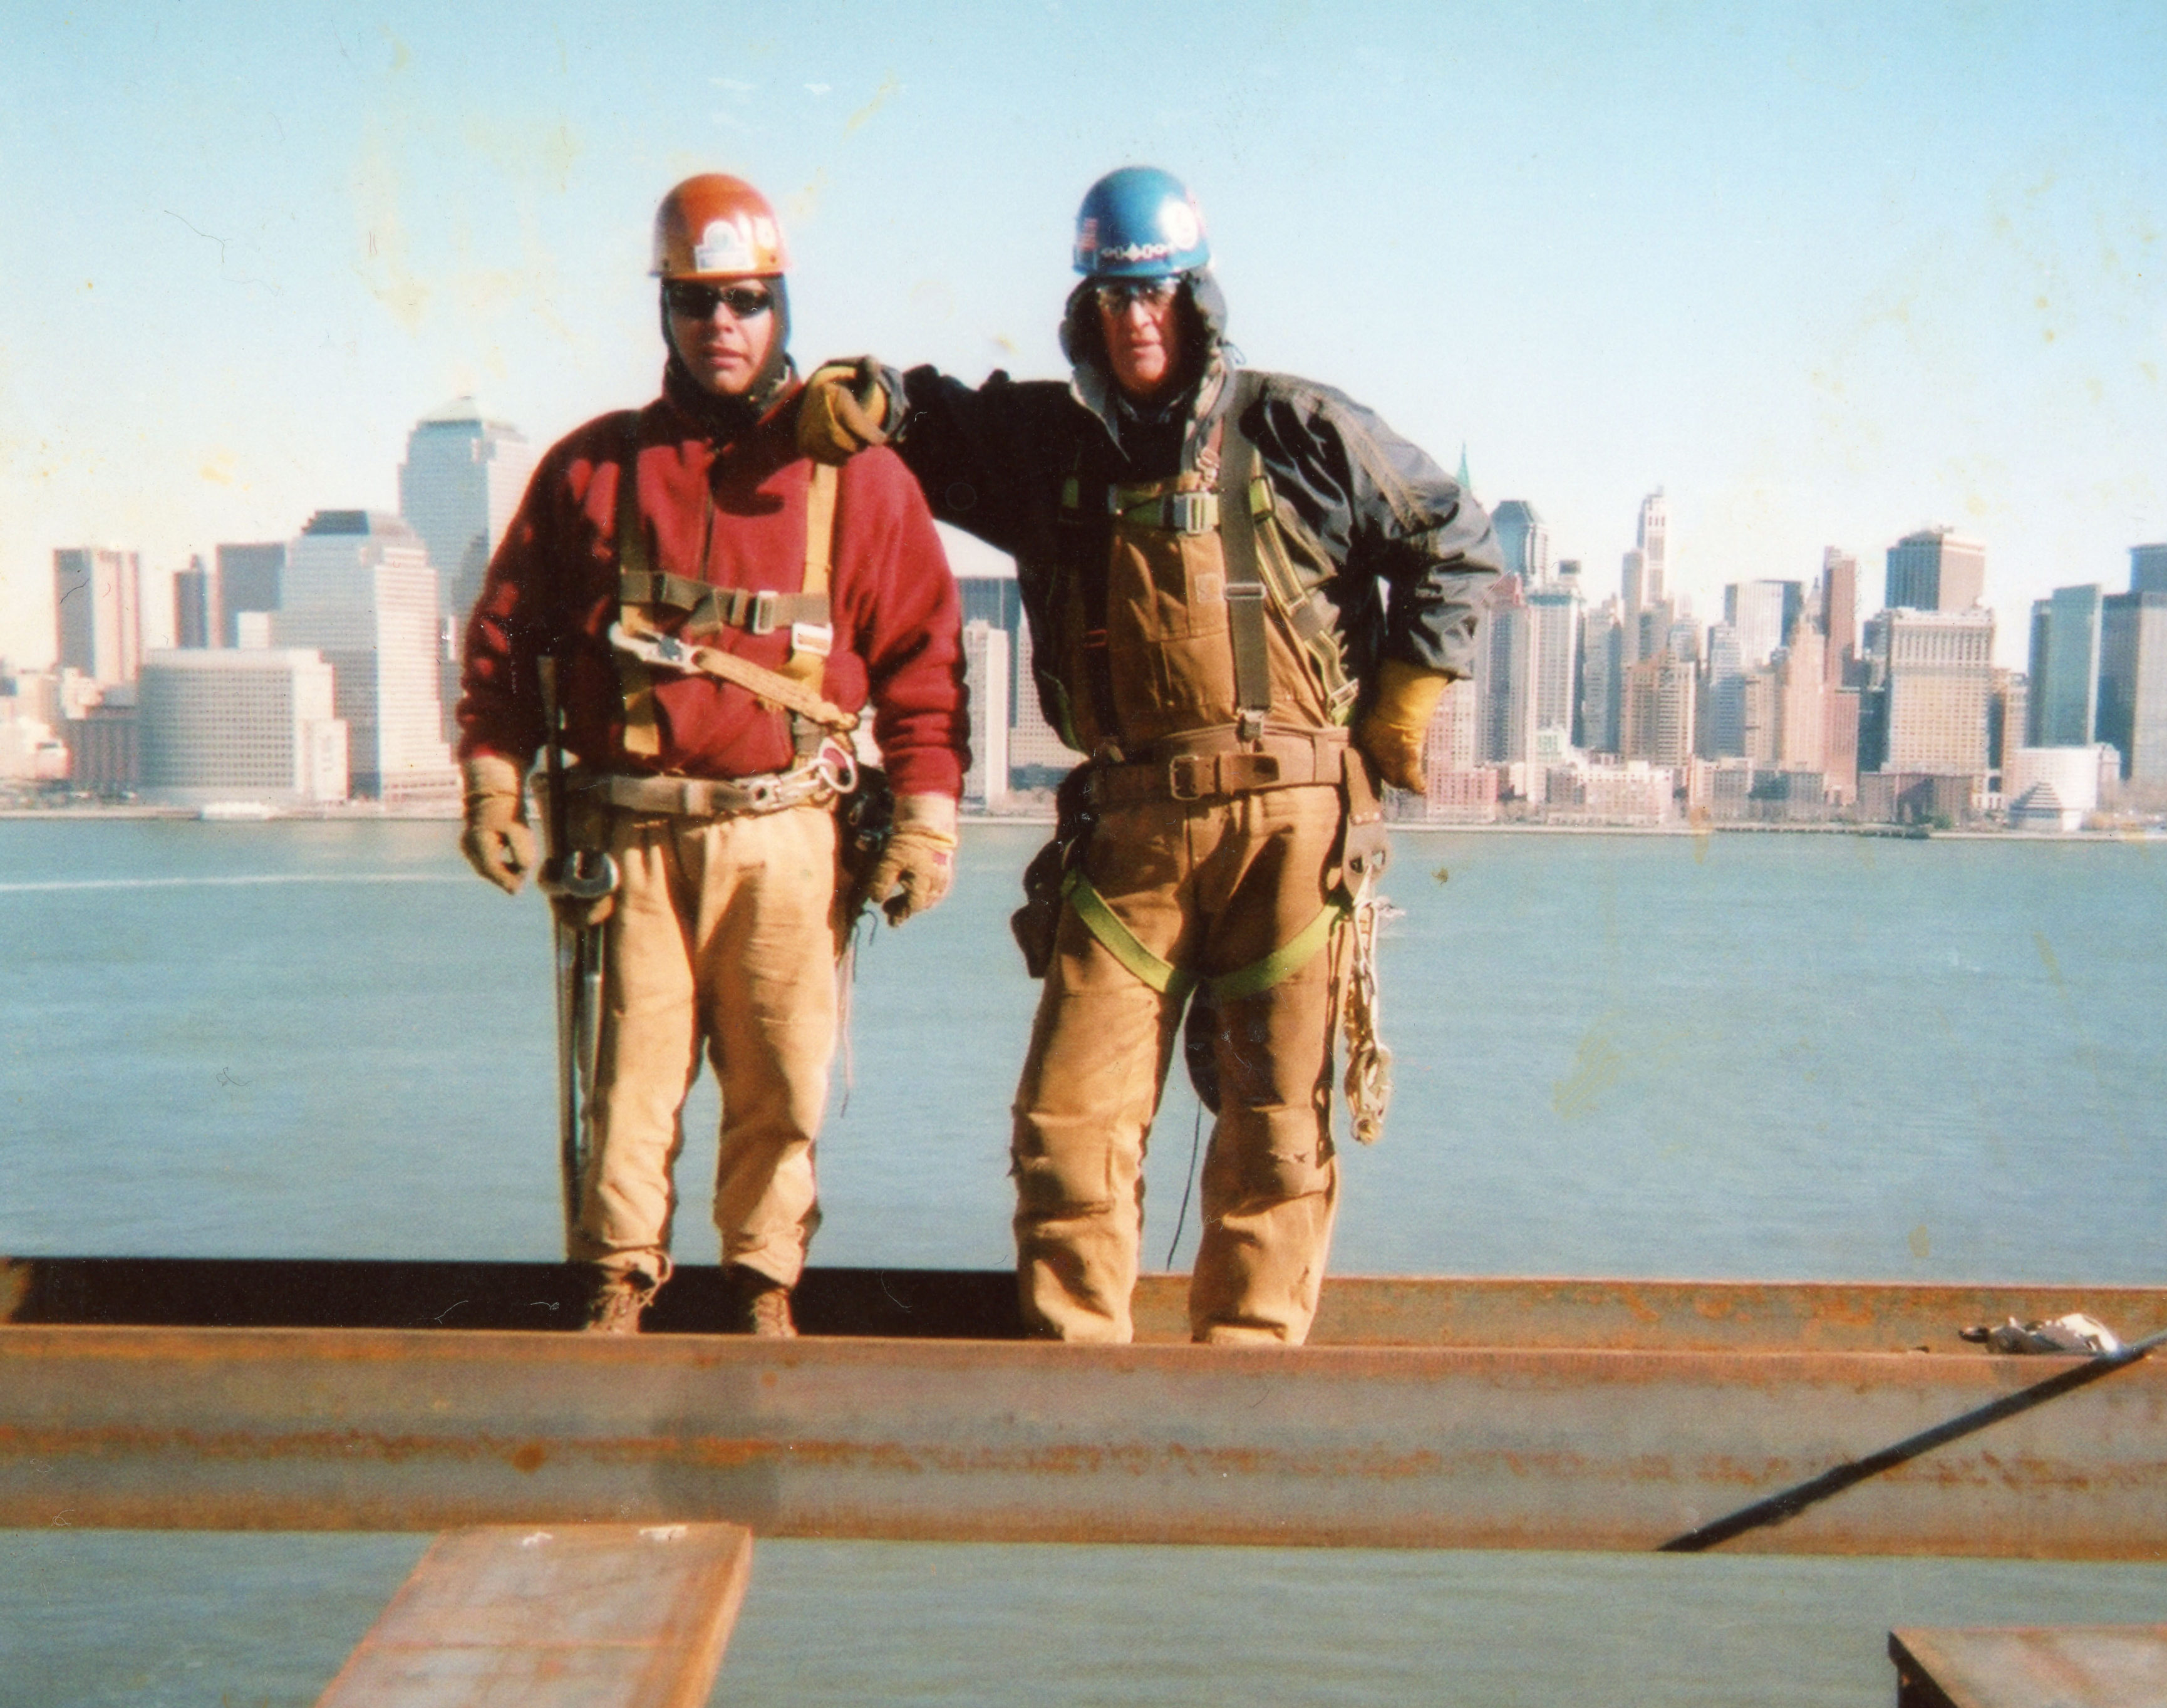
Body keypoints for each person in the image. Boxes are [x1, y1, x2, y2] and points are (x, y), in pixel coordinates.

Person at [799, 167, 1495, 1345]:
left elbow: (1453, 537)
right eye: (1115, 297)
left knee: (1276, 1132)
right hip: (1126, 838)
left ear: (1197, 300)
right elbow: (924, 419)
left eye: (1157, 293)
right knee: (1068, 1126)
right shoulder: (1050, 448)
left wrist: (1404, 700)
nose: (1137, 320)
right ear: (1088, 309)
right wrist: (867, 393)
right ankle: (1078, 1381)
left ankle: (1248, 1376)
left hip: (1292, 832)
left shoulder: (1297, 429)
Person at [455, 173, 969, 1337]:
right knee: (626, 1087)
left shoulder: (859, 478)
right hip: (628, 837)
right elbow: (504, 643)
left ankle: (762, 1290)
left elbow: (926, 665)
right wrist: (493, 785)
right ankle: (616, 1287)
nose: (720, 324)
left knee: (783, 1085)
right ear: (666, 312)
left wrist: (928, 822)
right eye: (695, 302)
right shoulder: (593, 470)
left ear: (781, 305)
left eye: (744, 300)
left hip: (786, 834)